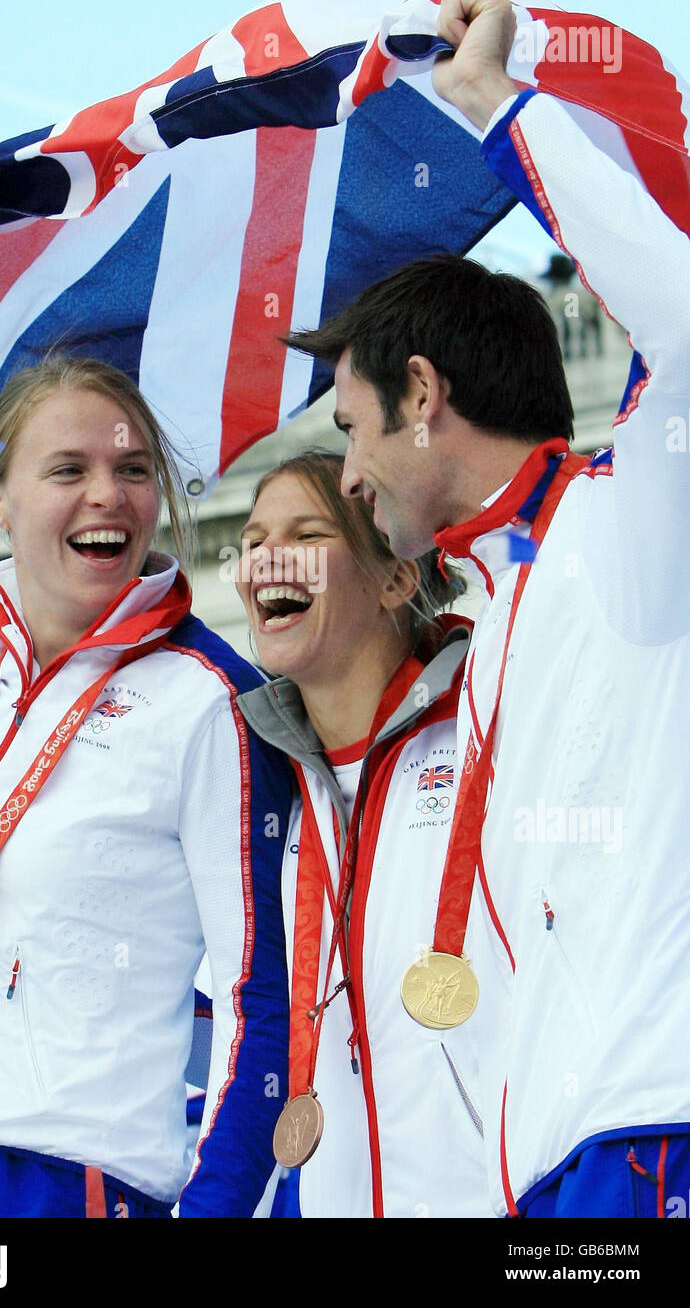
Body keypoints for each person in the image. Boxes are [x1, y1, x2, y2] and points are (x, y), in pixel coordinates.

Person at [283, 0, 690, 1219]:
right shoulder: (493, 608)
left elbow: (679, 314)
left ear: (421, 394)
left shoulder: (634, 518)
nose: (346, 477)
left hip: (654, 1128)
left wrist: (495, 107)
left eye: (350, 430)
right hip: (555, 1165)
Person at [0, 354, 290, 1218]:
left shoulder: (213, 704)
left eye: (134, 470)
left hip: (61, 1181)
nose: (109, 495)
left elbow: (266, 1000)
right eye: (69, 469)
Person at [235, 449, 492, 1218]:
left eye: (307, 534)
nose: (266, 560)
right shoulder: (260, 778)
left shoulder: (491, 717)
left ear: (395, 577)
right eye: (251, 542)